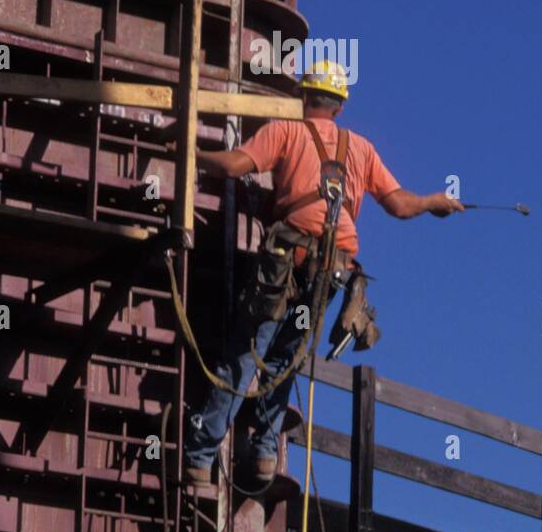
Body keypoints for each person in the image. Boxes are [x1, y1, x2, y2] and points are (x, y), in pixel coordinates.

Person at [183, 59, 465, 485]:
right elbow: (400, 205)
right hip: (329, 276)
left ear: (303, 97)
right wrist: (434, 202)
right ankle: (263, 452)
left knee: (247, 352)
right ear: (338, 107)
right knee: (286, 357)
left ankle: (199, 458)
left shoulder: (285, 131)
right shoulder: (361, 148)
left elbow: (235, 166)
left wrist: (189, 152)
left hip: (285, 265)